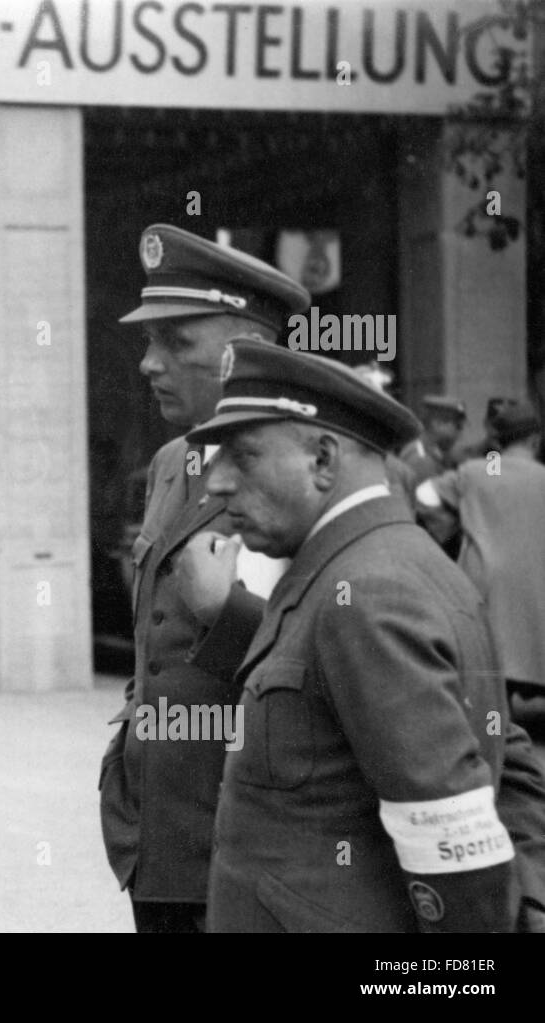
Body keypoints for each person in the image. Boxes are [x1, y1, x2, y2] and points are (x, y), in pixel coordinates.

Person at [191, 339, 543, 932]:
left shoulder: (365, 590)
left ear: (323, 460)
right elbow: (507, 763)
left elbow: (452, 842)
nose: (216, 482)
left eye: (243, 456)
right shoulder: (375, 564)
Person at [98, 223, 311, 932]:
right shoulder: (170, 463)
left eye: (176, 342)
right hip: (157, 835)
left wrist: (227, 613)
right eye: (149, 342)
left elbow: (331, 662)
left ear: (241, 353)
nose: (149, 365)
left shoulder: (308, 473)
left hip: (247, 846)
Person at [417, 403, 545, 706]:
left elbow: (424, 495)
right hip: (537, 584)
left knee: (490, 668)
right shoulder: (542, 476)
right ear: (534, 440)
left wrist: (451, 528)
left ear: (498, 441)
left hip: (485, 581)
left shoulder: (482, 469)